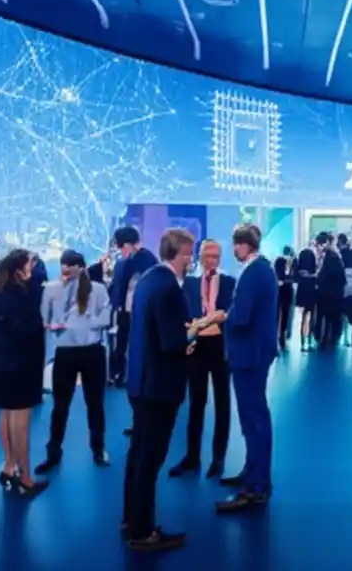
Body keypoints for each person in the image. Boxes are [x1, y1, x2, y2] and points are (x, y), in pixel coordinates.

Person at [123, 229, 205, 552]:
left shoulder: (148, 280)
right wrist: (195, 332)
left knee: (138, 454)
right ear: (180, 253)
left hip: (141, 382)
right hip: (159, 386)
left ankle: (131, 518)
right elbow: (173, 341)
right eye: (190, 253)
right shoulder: (169, 287)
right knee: (151, 458)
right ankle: (142, 531)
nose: (192, 258)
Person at [216, 224, 280, 512]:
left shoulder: (254, 273)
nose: (234, 250)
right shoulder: (262, 270)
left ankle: (256, 485)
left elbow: (240, 317)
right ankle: (253, 472)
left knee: (254, 417)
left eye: (236, 244)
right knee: (252, 416)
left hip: (249, 355)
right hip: (254, 353)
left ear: (245, 245)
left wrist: (220, 317)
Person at [37, 250, 112, 474]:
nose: (66, 269)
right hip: (66, 352)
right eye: (63, 264)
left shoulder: (98, 289)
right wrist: (55, 326)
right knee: (60, 406)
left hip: (92, 352)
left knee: (95, 404)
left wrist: (86, 324)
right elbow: (44, 317)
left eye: (70, 264)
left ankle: (98, 448)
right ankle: (53, 452)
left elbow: (107, 317)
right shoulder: (51, 289)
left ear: (81, 266)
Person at [0, 249, 49, 497]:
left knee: (7, 415)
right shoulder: (25, 296)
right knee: (21, 422)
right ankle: (26, 477)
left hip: (0, 363)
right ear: (20, 269)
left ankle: (9, 466)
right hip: (22, 364)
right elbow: (28, 329)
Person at [171, 240, 234, 478]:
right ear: (200, 256)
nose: (211, 260)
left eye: (216, 256)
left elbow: (230, 312)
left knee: (222, 402)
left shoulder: (228, 282)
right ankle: (192, 455)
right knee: (196, 401)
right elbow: (183, 313)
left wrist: (217, 318)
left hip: (220, 346)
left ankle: (218, 457)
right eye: (207, 255)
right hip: (197, 345)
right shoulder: (189, 284)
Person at [109, 227, 158, 387]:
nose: (121, 251)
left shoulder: (146, 259)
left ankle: (137, 376)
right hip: (125, 310)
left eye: (122, 247)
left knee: (139, 345)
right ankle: (120, 374)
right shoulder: (123, 263)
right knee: (121, 344)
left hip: (141, 312)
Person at [274, 246, 295, 352]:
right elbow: (293, 277)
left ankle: (278, 339)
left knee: (278, 315)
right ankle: (282, 339)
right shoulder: (292, 262)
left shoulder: (278, 261)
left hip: (280, 291)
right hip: (287, 291)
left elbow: (277, 275)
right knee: (285, 316)